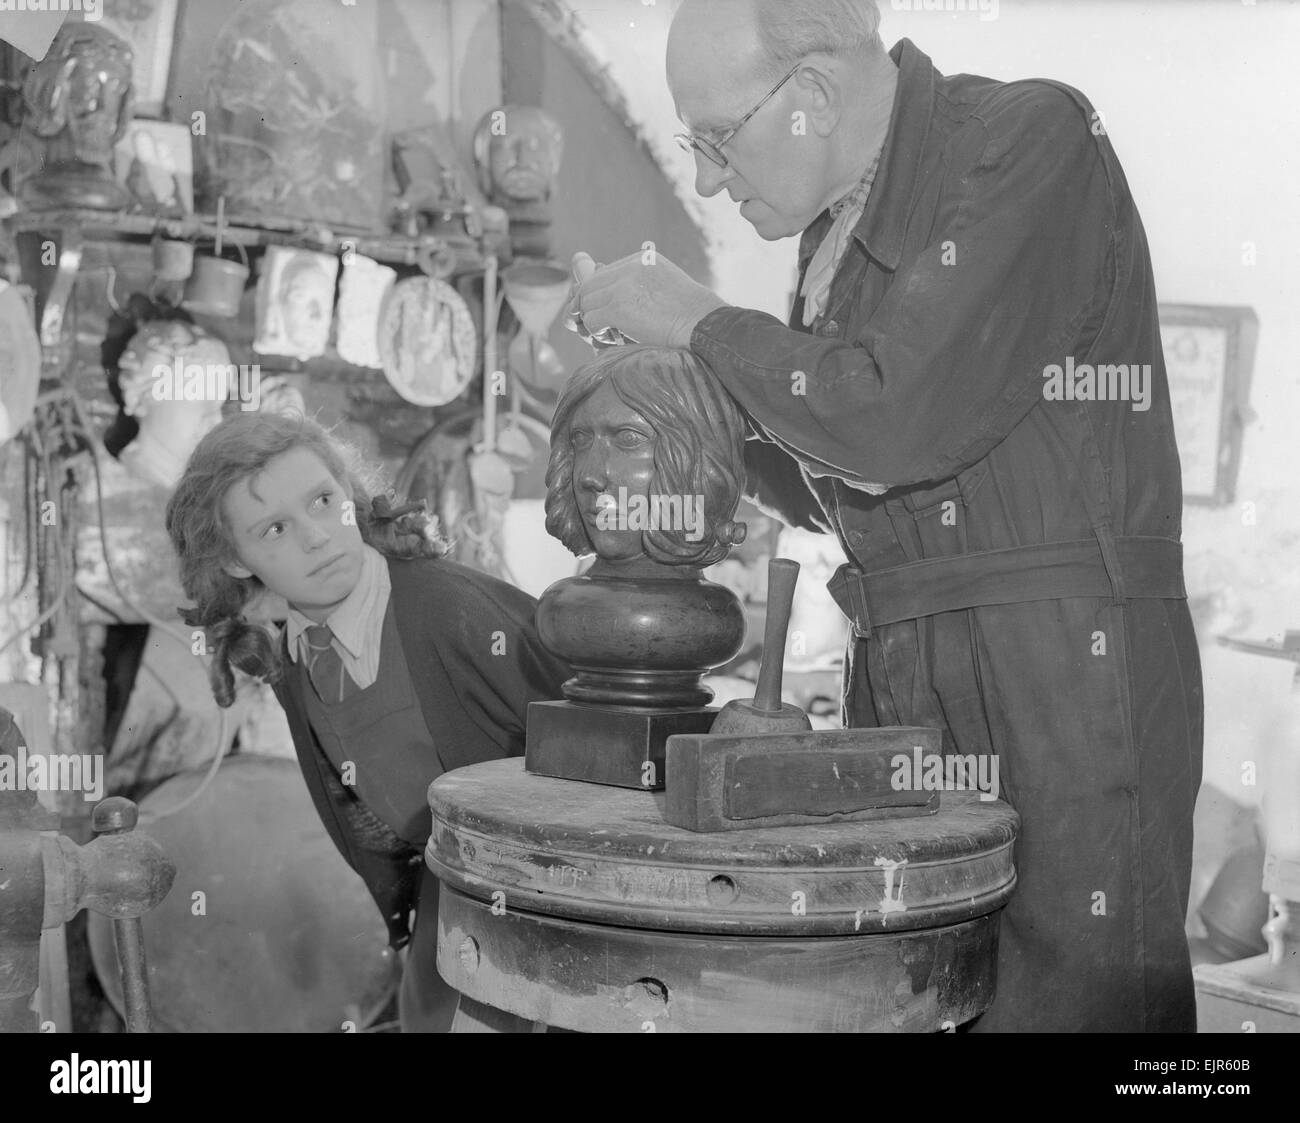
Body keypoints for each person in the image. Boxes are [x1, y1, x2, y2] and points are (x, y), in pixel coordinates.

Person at [567, 0, 1202, 1032]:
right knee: (913, 997)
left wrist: (698, 319)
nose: (706, 181)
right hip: (904, 658)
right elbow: (854, 475)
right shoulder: (836, 237)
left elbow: (889, 418)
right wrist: (692, 409)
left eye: (715, 142)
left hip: (1061, 668)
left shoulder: (1027, 141)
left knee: (1074, 1006)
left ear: (810, 93)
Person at [164, 412, 570, 1031]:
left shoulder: (455, 613)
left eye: (324, 501)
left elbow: (596, 747)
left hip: (549, 902)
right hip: (447, 896)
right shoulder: (292, 652)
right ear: (236, 561)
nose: (318, 537)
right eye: (275, 528)